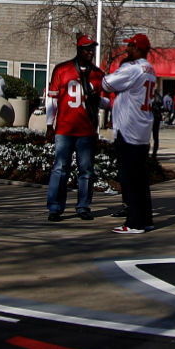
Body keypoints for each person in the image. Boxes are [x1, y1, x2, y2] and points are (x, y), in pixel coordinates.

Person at [103, 34, 159, 234]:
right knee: (141, 179)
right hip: (142, 128)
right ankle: (146, 219)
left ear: (138, 48)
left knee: (130, 178)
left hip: (129, 129)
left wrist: (123, 64)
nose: (127, 49)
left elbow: (107, 83)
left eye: (131, 46)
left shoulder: (132, 68)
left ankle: (135, 222)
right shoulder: (150, 69)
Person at [45, 35, 105, 221]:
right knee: (60, 168)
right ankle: (55, 208)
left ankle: (83, 206)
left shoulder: (98, 74)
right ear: (78, 50)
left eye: (92, 49)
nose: (90, 52)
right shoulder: (62, 69)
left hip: (86, 130)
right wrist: (49, 124)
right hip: (64, 128)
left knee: (86, 170)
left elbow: (107, 102)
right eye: (86, 48)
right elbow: (52, 99)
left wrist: (99, 101)